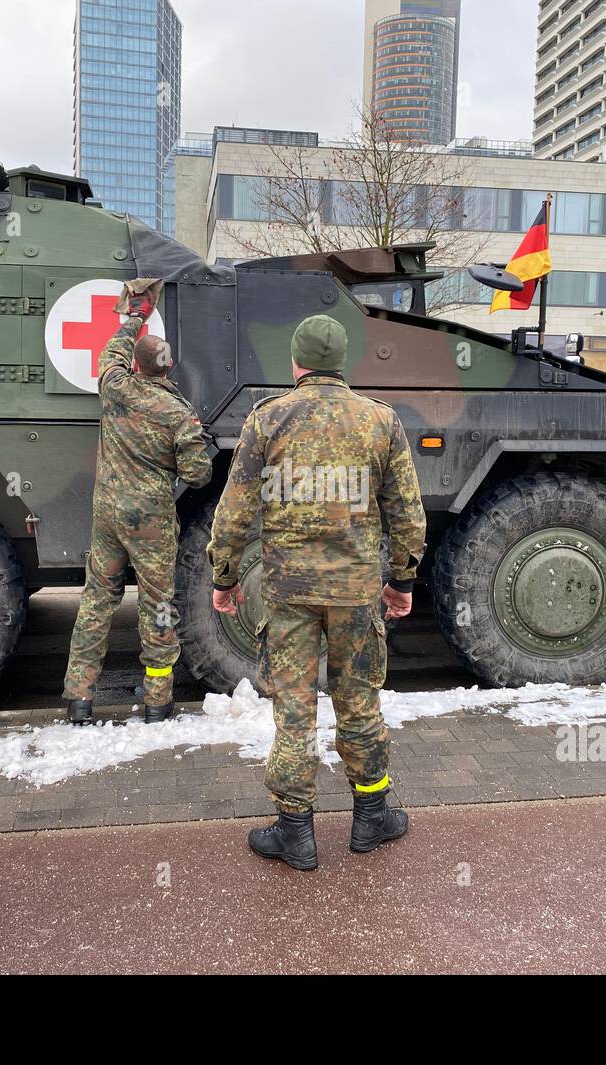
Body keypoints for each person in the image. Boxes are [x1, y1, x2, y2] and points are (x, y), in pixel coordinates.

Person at [208, 314, 426, 870]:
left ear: (297, 363)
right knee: (359, 703)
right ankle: (371, 817)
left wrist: (225, 577)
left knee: (295, 709)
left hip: (288, 592)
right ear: (342, 361)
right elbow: (406, 514)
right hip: (355, 592)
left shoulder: (267, 421)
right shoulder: (381, 422)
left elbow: (234, 511)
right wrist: (401, 581)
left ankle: (295, 831)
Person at [62, 278, 212, 725]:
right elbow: (198, 475)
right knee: (158, 603)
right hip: (152, 521)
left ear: (137, 365)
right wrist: (191, 441)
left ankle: (80, 698)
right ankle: (157, 700)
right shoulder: (177, 412)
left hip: (107, 513)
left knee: (97, 599)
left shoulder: (115, 387)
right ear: (168, 368)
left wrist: (133, 319)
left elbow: (110, 354)